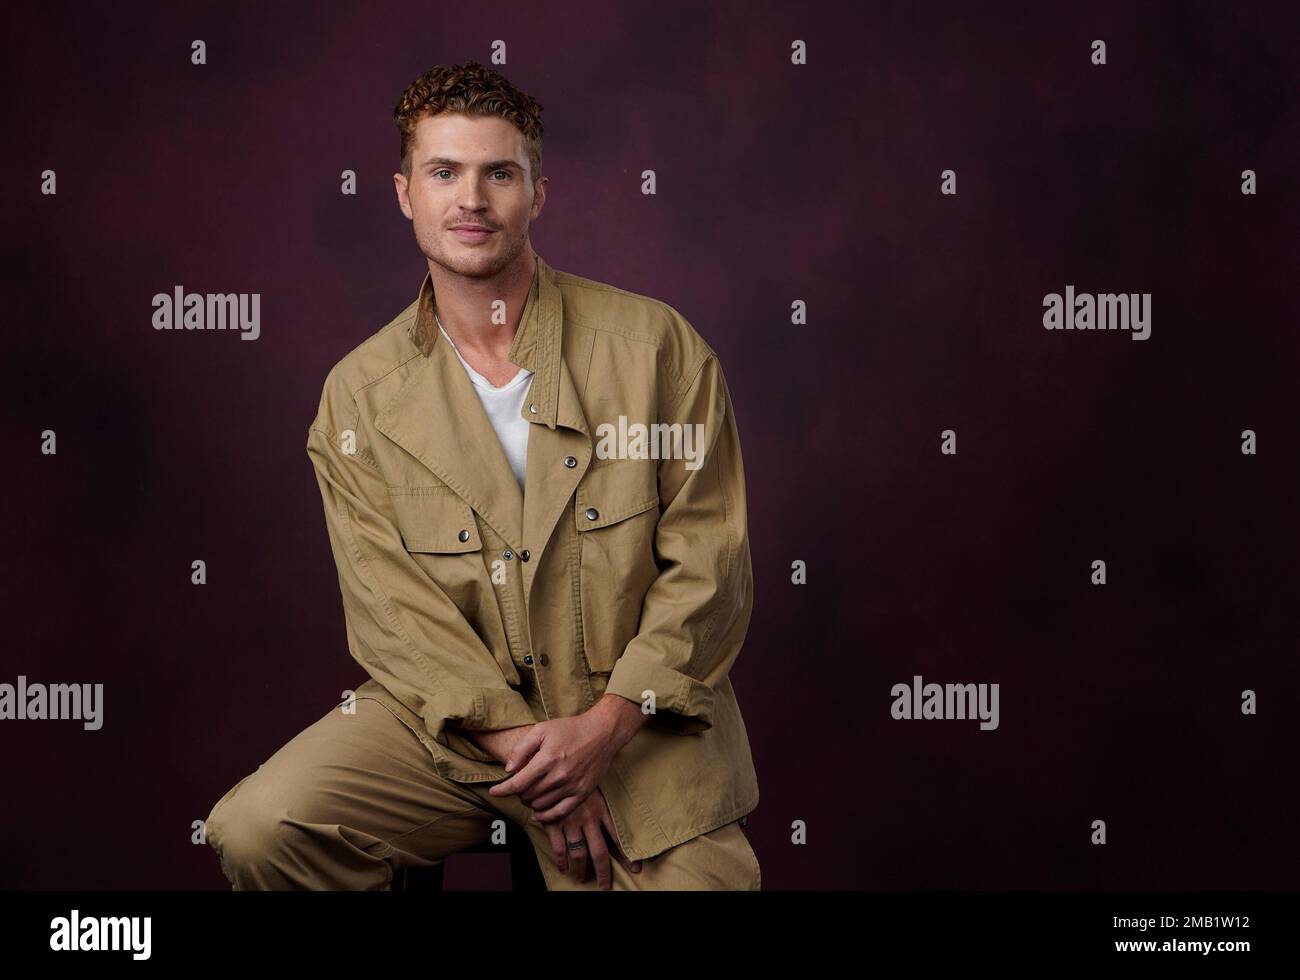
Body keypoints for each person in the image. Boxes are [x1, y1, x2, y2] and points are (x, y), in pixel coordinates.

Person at [204, 61, 760, 890]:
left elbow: (709, 575)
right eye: (444, 172)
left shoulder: (656, 351)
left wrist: (599, 733)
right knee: (260, 827)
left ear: (538, 194)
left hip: (636, 727)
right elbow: (392, 614)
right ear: (404, 194)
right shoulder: (358, 397)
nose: (471, 199)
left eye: (499, 172)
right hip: (452, 734)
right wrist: (531, 761)